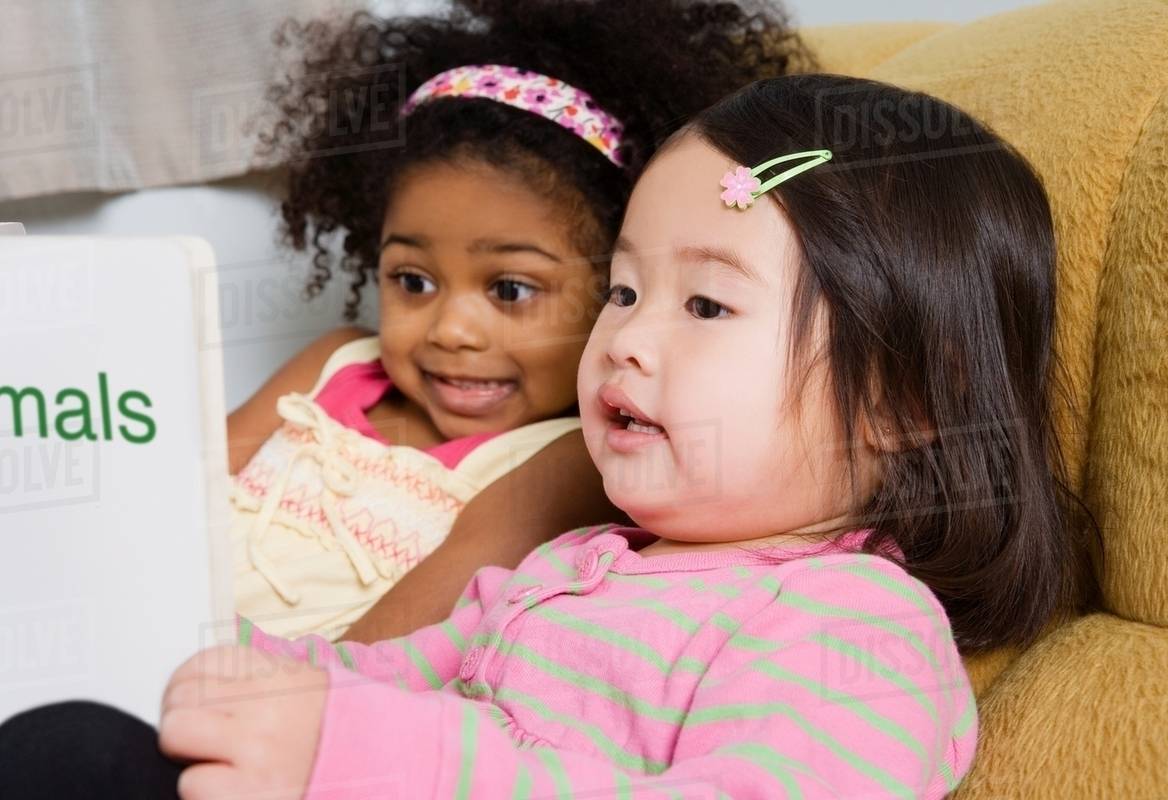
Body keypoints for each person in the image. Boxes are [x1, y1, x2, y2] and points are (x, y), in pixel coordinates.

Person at [1, 72, 1105, 799]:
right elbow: (379, 671)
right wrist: (203, 653)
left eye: (706, 306)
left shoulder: (855, 620)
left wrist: (370, 751)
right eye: (623, 292)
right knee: (88, 725)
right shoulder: (577, 567)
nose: (626, 342)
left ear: (910, 398)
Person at [225, 0, 810, 641]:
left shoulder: (571, 459)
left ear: (617, 292)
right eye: (412, 281)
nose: (452, 330)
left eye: (510, 289)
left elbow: (386, 651)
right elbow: (163, 485)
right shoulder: (333, 363)